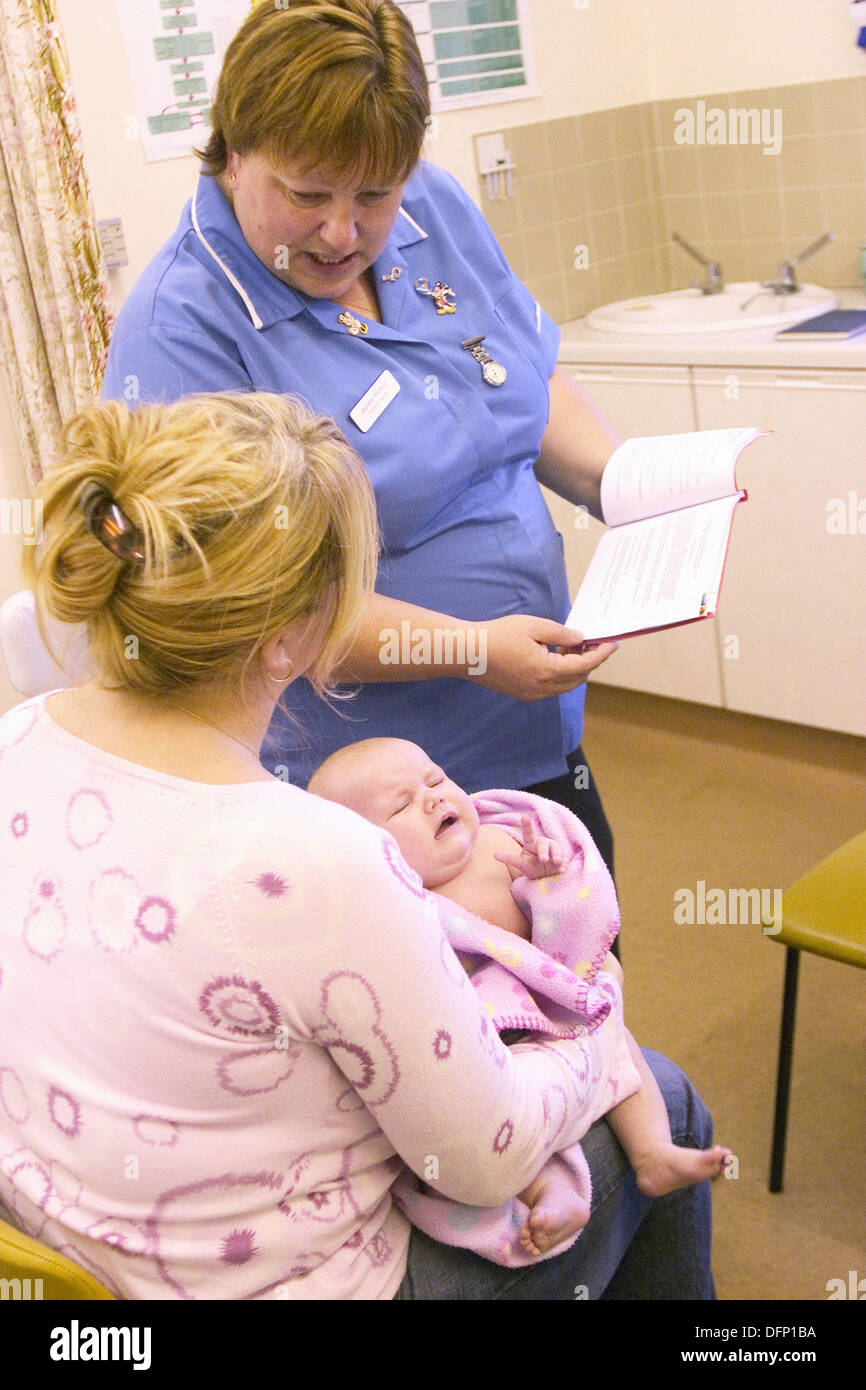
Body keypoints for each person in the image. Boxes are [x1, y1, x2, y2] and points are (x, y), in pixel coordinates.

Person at [0, 393, 716, 1300]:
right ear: (289, 638)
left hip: (71, 1260)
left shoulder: (17, 741)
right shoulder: (315, 858)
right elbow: (484, 1162)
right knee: (665, 1093)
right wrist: (597, 1013)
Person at [100, 0, 622, 888]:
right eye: (307, 196)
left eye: (374, 195)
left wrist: (634, 488)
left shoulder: (434, 210)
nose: (343, 233)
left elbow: (520, 381)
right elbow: (247, 599)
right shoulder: (181, 327)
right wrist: (472, 648)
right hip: (367, 800)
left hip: (536, 740)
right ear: (233, 154)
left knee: (579, 983)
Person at [308, 738, 730, 1266]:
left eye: (436, 779)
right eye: (401, 805)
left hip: (545, 1009)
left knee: (620, 1048)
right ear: (365, 853)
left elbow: (567, 932)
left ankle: (653, 1153)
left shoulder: (502, 844)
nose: (433, 799)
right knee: (494, 1125)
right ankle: (549, 1193)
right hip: (484, 1045)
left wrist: (548, 878)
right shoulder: (393, 906)